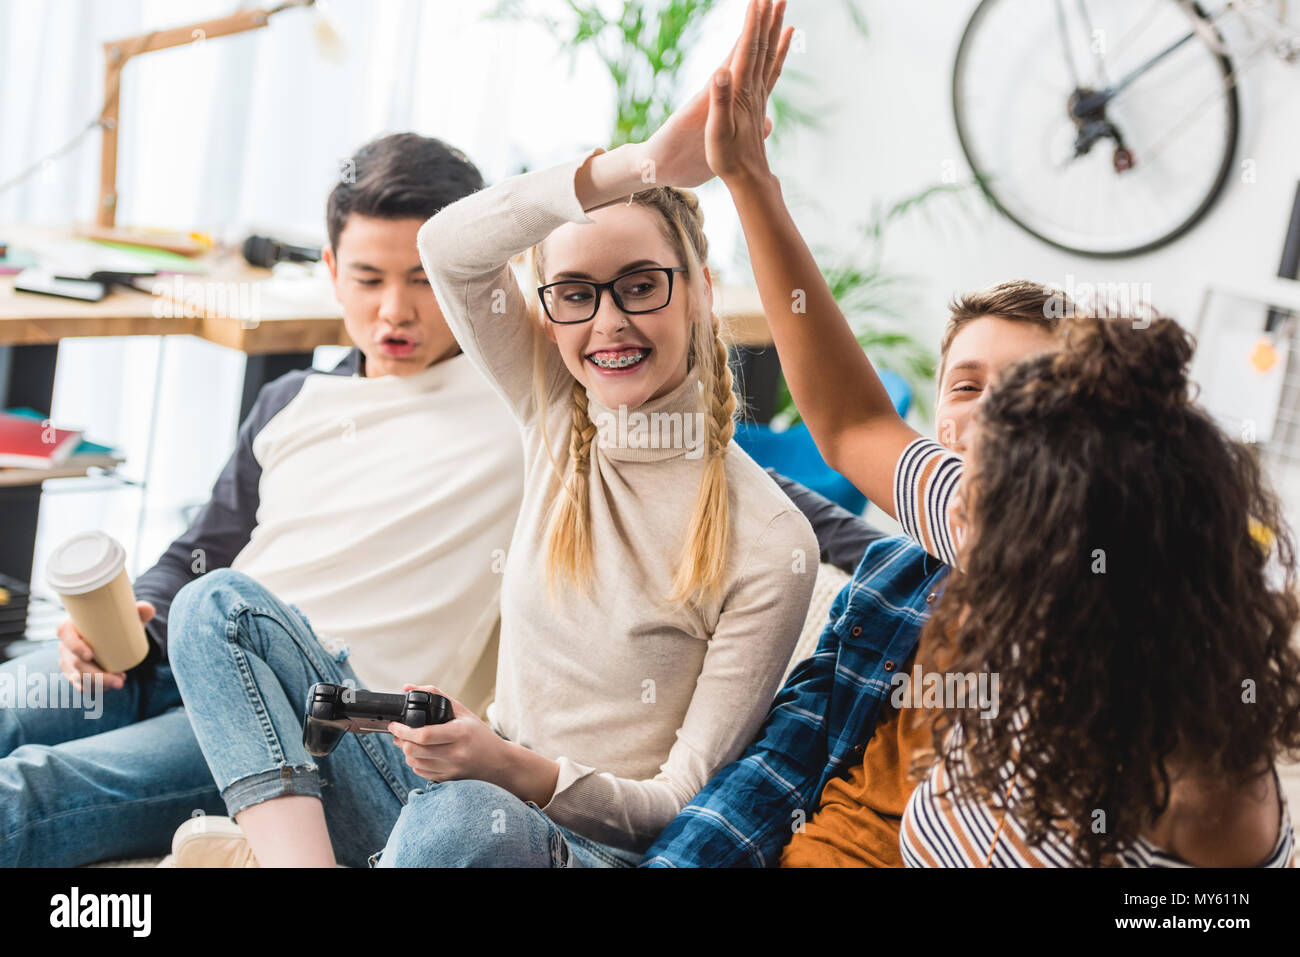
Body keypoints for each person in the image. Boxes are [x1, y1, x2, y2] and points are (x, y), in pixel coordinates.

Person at [165, 0, 818, 868]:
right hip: (460, 796)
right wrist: (645, 163)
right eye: (576, 292)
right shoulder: (557, 408)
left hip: (572, 845)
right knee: (215, 607)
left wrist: (515, 769)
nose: (608, 323)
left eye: (640, 284)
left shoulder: (770, 542)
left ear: (700, 286)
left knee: (467, 819)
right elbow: (452, 246)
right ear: (550, 309)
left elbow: (677, 807)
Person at [661, 11, 1299, 866]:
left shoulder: (1199, 780)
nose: (964, 511)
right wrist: (748, 181)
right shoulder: (1002, 517)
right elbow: (853, 423)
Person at [0, 132, 524, 867]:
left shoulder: (524, 408)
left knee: (29, 790)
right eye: (369, 279)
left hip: (300, 721)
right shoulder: (293, 400)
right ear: (334, 272)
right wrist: (125, 620)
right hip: (178, 657)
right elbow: (198, 551)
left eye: (425, 279)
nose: (394, 312)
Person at [643, 281, 1066, 867]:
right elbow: (782, 761)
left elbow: (851, 426)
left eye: (1031, 388)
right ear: (938, 420)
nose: (993, 409)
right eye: (966, 386)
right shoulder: (889, 580)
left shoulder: (1097, 607)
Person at [900, 314, 1299, 867]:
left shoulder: (1205, 803)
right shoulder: (1030, 616)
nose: (954, 508)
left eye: (976, 497)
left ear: (1056, 553)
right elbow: (851, 425)